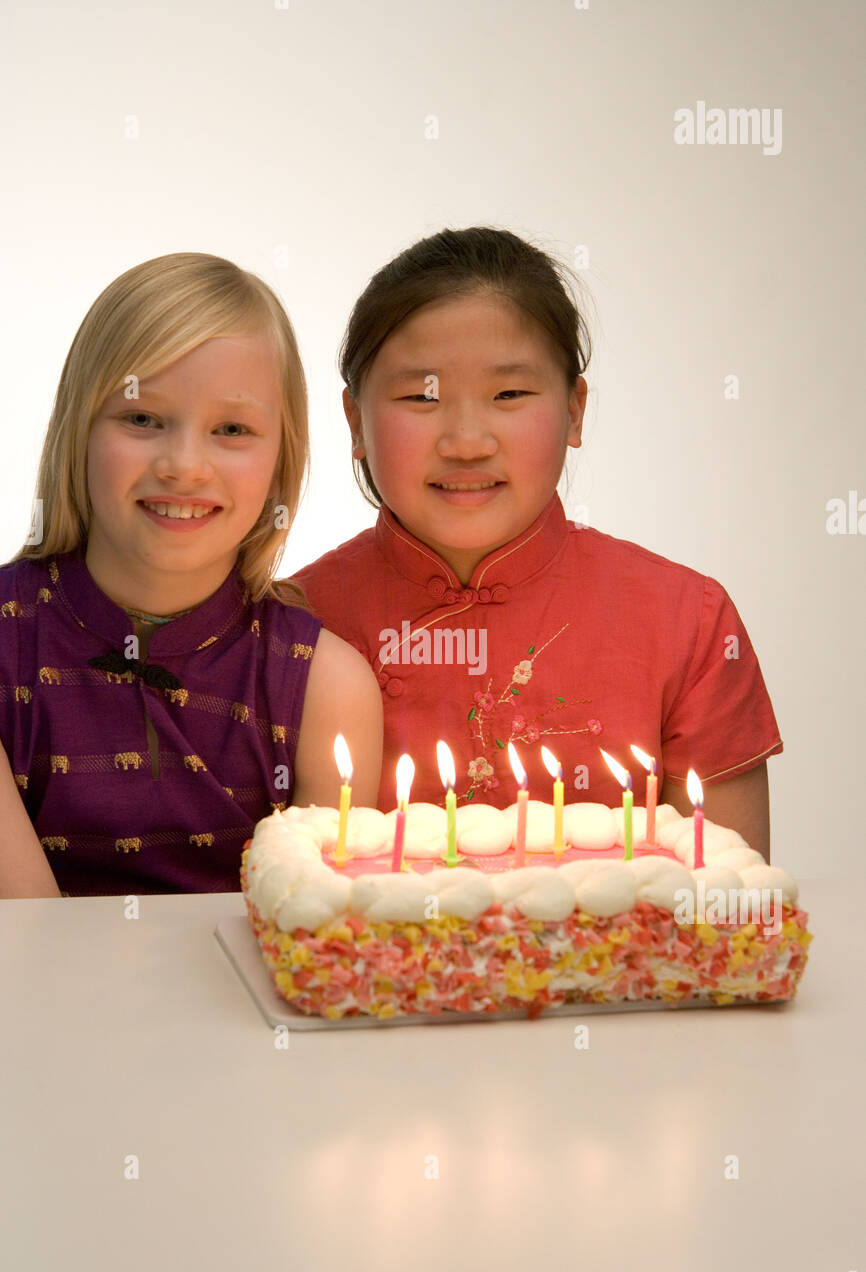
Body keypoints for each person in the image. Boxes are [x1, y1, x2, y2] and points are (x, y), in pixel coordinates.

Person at [293, 227, 781, 861]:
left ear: (575, 411)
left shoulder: (689, 622)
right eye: (421, 396)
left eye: (509, 394)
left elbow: (725, 908)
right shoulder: (290, 622)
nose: (466, 441)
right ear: (355, 421)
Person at [0, 253, 382, 898]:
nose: (183, 466)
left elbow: (318, 939)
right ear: (78, 430)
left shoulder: (325, 686)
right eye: (142, 419)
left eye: (232, 429)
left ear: (280, 459)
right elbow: (28, 939)